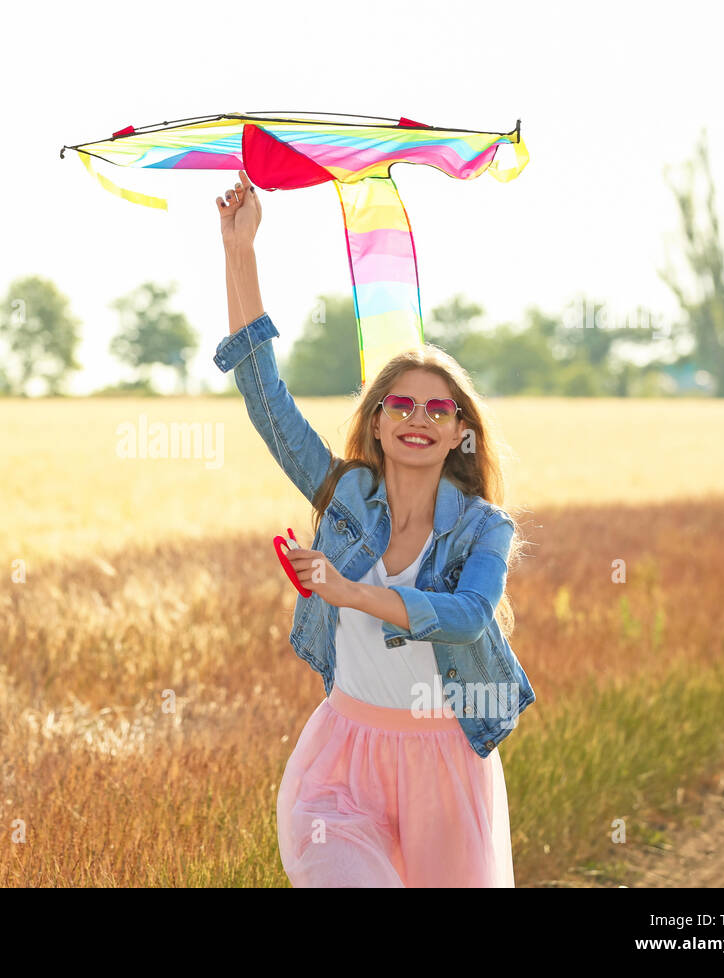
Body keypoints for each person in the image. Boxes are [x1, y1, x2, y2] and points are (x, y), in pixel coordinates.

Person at [214, 170, 536, 888]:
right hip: (341, 763)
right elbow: (267, 402)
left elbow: (467, 617)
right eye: (401, 404)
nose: (418, 418)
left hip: (445, 767)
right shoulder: (346, 497)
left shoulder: (485, 529)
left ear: (461, 433)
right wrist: (241, 253)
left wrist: (348, 592)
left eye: (438, 410)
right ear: (379, 422)